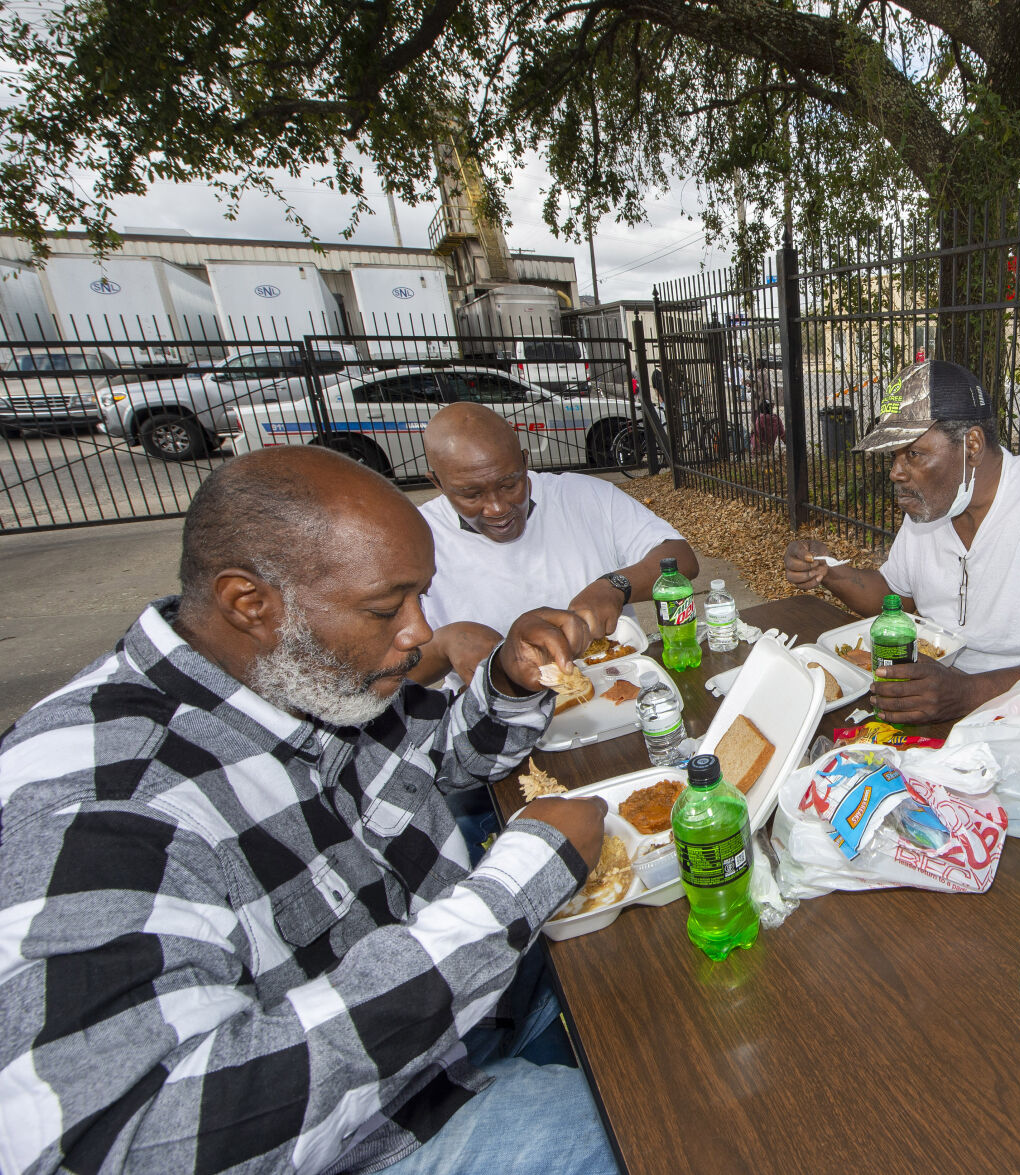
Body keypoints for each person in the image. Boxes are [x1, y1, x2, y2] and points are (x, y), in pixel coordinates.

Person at [0, 447, 618, 1174]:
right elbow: (117, 1144)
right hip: (379, 1130)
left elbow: (442, 756)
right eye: (388, 607)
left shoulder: (295, 671)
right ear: (249, 602)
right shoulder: (95, 801)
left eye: (421, 597)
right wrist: (505, 895)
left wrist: (510, 681)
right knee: (663, 1137)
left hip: (469, 1013)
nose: (420, 632)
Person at [783, 359, 1020, 724]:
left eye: (914, 454)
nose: (895, 472)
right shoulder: (933, 508)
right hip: (941, 697)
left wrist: (970, 693)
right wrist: (829, 572)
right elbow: (894, 594)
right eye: (894, 456)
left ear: (972, 445)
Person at [412, 403, 699, 685]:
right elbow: (382, 681)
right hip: (493, 720)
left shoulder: (585, 496)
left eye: (509, 485)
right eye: (471, 494)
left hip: (617, 689)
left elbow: (681, 558)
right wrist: (443, 647)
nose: (497, 508)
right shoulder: (412, 540)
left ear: (525, 462)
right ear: (437, 483)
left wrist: (615, 586)